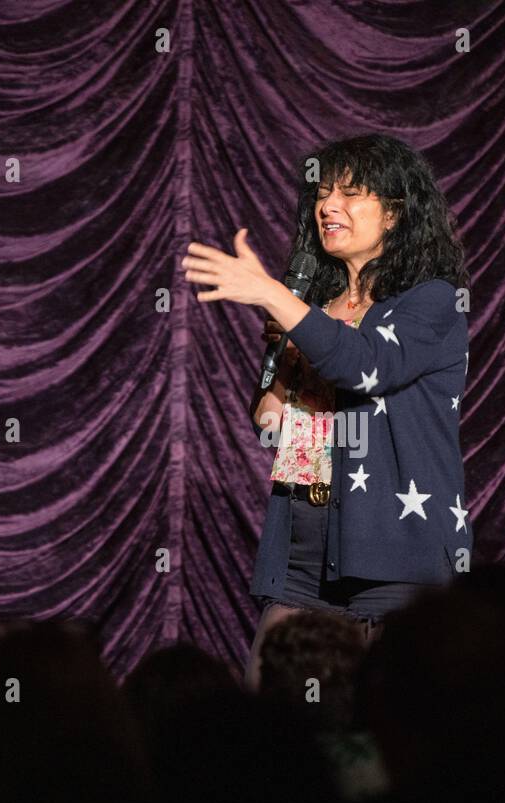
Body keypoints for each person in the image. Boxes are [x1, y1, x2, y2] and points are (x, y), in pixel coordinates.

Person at [180, 132, 473, 685]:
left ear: (394, 214)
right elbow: (269, 424)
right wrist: (286, 359)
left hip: (393, 567)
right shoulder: (314, 309)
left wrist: (275, 298)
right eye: (322, 193)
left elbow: (364, 365)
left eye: (350, 193)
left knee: (393, 745)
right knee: (276, 744)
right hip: (301, 562)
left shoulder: (431, 304)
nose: (327, 206)